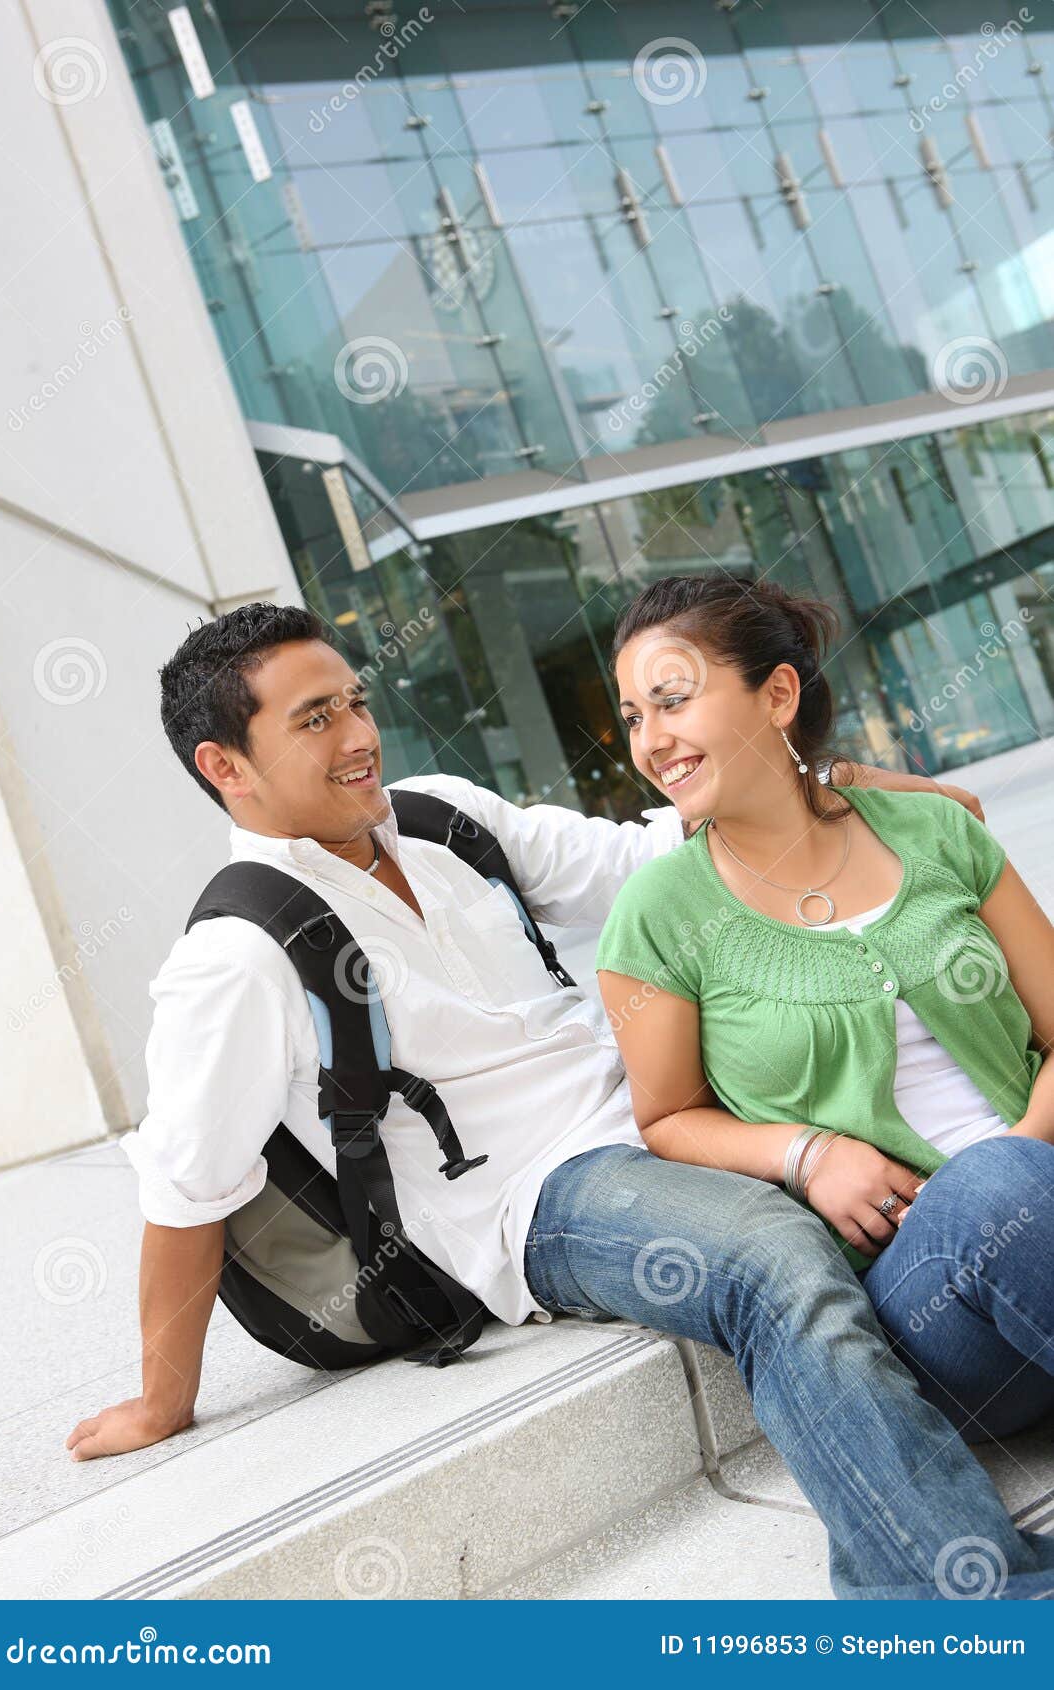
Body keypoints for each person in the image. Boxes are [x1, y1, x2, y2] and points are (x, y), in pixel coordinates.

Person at [65, 601, 1054, 1600]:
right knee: (769, 1257)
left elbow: (646, 850)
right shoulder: (234, 955)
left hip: (655, 1116)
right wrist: (162, 1399)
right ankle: (942, 1599)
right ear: (223, 766)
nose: (361, 736)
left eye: (356, 702)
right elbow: (186, 1185)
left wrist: (840, 789)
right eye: (314, 719)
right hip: (540, 1198)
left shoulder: (440, 816)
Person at [597, 572, 1054, 1460]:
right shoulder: (656, 917)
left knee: (1009, 1182)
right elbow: (665, 1118)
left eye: (671, 701)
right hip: (925, 1299)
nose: (650, 742)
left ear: (776, 694)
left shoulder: (933, 833)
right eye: (633, 718)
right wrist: (806, 1153)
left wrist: (1027, 1139)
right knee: (997, 1191)